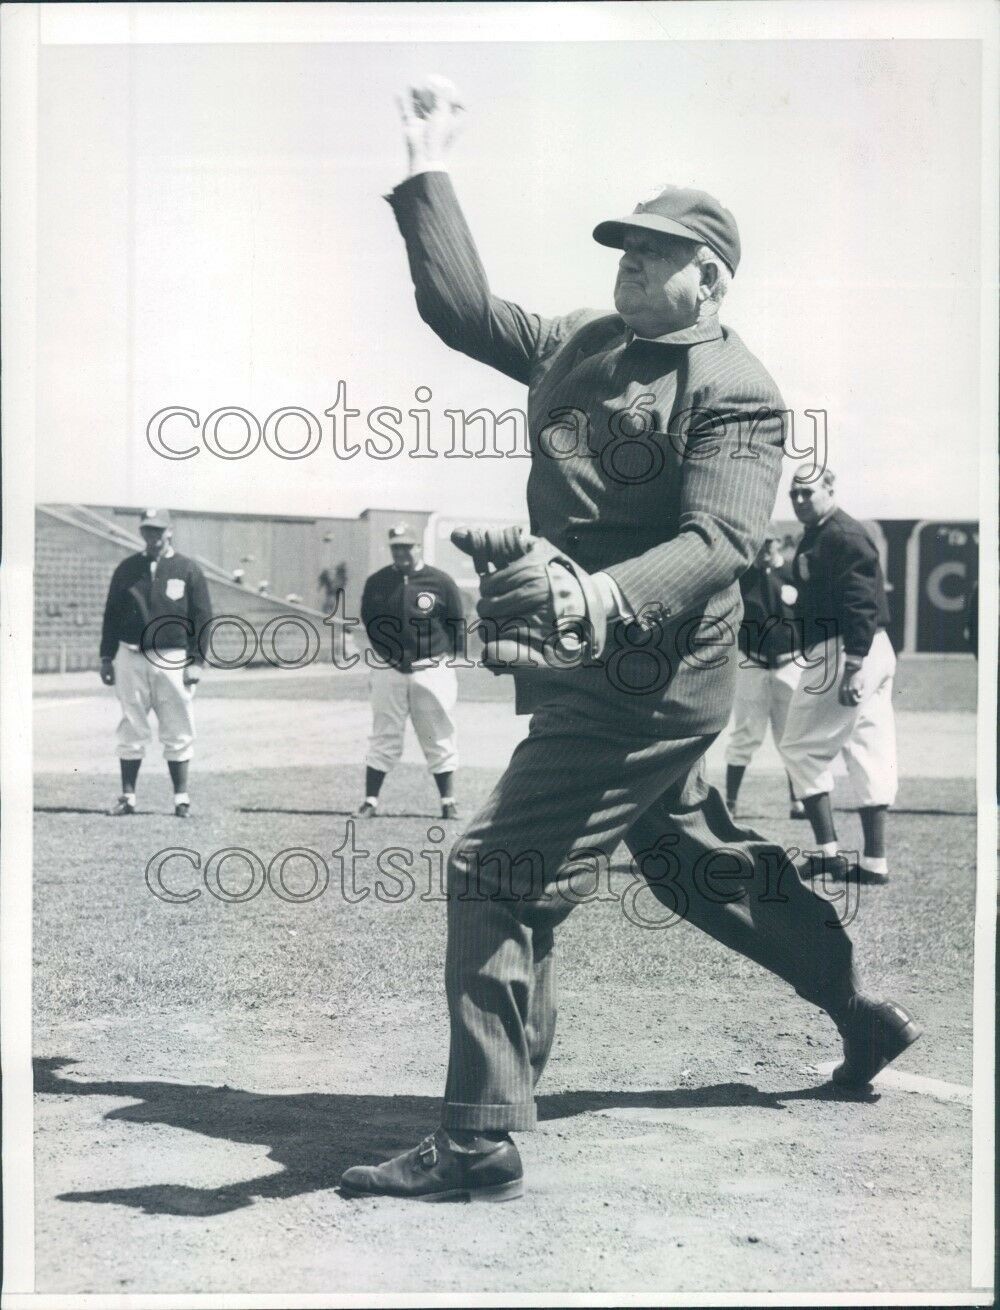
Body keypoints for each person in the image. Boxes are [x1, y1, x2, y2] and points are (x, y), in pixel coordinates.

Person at [340, 80, 920, 1202]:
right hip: (587, 667)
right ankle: (858, 1011)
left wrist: (598, 597)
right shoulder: (581, 341)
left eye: (657, 254)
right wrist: (425, 160)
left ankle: (478, 1138)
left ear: (712, 277)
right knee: (696, 866)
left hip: (651, 678)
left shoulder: (738, 392)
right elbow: (465, 313)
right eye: (626, 248)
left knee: (496, 868)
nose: (632, 265)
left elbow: (719, 540)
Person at [778, 468, 898, 884]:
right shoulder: (822, 532)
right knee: (869, 748)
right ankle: (875, 862)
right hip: (867, 647)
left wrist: (853, 664)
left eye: (807, 492)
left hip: (845, 648)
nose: (799, 500)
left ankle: (827, 854)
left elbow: (861, 603)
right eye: (793, 494)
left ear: (830, 489)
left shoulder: (841, 534)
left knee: (798, 746)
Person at [99, 508, 212, 818]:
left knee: (178, 724)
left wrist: (197, 660)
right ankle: (128, 797)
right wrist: (106, 656)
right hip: (130, 653)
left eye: (158, 530)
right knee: (131, 723)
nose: (153, 536)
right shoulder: (127, 568)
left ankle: (181, 798)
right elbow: (111, 615)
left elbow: (202, 617)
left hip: (172, 656)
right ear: (142, 532)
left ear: (169, 531)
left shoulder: (187, 569)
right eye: (148, 529)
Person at [358, 522, 466, 820]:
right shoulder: (377, 582)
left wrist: (445, 657)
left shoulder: (440, 581)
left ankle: (448, 802)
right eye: (396, 547)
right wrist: (387, 655)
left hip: (430, 667)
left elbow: (456, 622)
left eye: (407, 546)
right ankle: (370, 801)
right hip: (388, 668)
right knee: (384, 733)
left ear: (418, 547)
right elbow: (370, 622)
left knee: (439, 733)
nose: (401, 553)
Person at [724, 532, 806, 820]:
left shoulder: (793, 573)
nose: (764, 547)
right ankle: (730, 803)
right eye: (760, 542)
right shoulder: (742, 575)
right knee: (745, 734)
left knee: (792, 734)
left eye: (770, 541)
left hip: (790, 662)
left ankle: (799, 801)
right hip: (753, 662)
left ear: (779, 542)